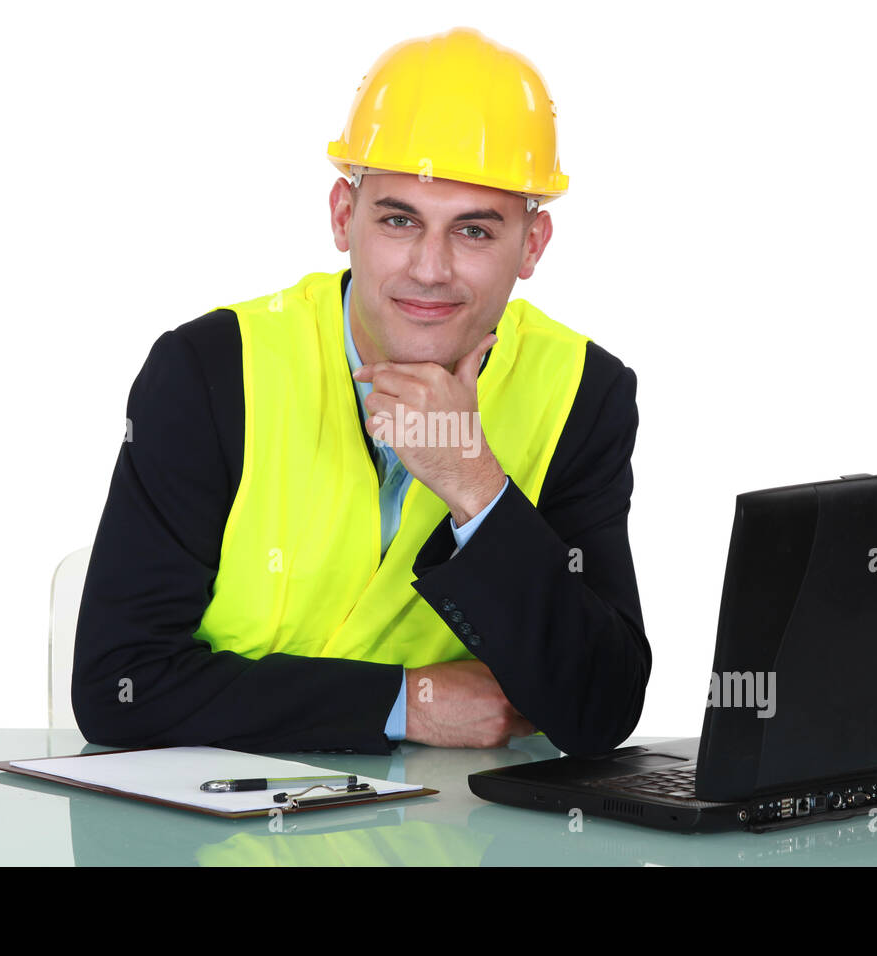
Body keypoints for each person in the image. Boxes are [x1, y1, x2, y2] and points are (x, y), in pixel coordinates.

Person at [71, 26, 651, 757]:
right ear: (344, 217)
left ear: (532, 246)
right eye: (399, 220)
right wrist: (406, 702)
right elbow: (118, 686)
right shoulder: (210, 371)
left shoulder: (582, 393)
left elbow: (601, 707)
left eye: (474, 231)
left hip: (446, 836)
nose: (430, 269)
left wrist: (476, 486)